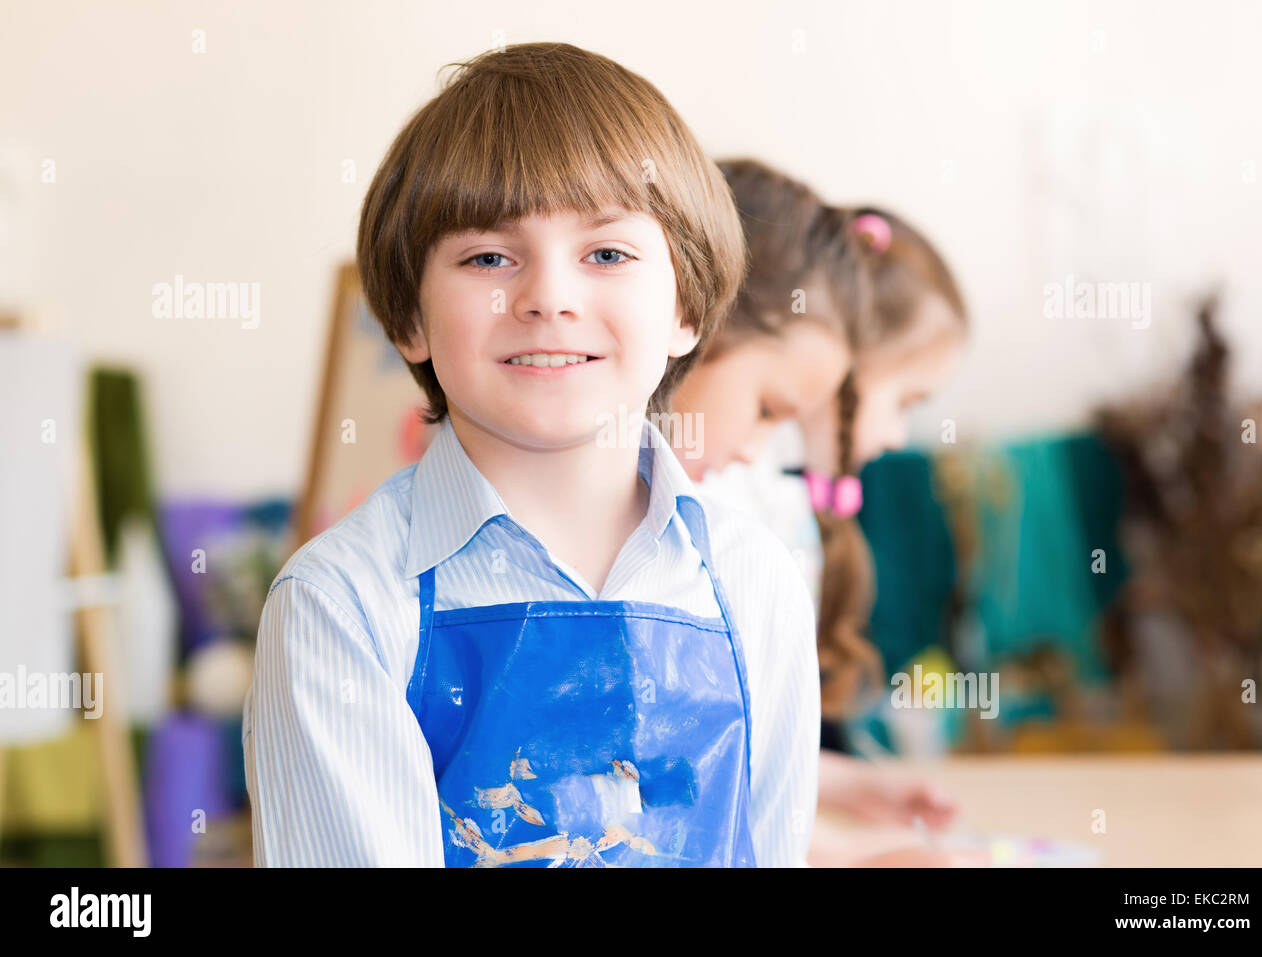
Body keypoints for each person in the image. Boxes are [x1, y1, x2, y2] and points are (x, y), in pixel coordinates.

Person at [243, 43, 820, 866]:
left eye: (607, 254)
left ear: (686, 305)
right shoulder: (341, 607)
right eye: (488, 257)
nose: (549, 296)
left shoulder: (757, 584)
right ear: (408, 318)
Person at [673, 171, 970, 865]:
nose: (897, 436)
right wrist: (840, 849)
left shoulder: (743, 479)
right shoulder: (715, 494)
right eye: (904, 398)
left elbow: (723, 752)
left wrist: (845, 801)